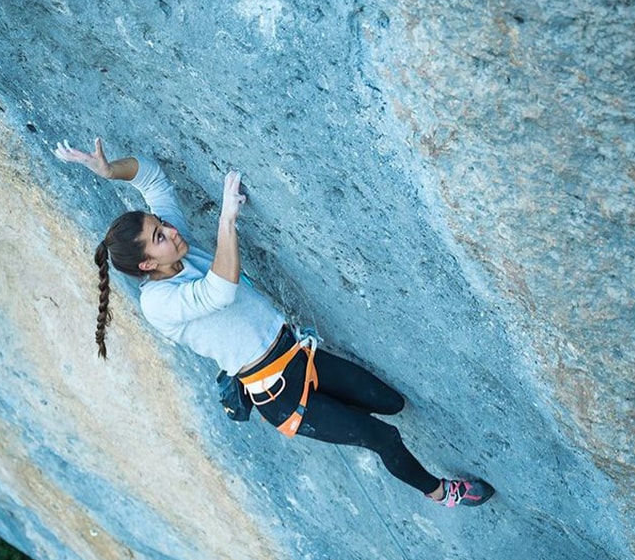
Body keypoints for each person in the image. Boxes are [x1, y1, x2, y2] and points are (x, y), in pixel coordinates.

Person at [54, 137, 493, 508]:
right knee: (383, 437)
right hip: (279, 394)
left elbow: (152, 179)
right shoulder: (159, 303)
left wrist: (113, 172)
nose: (170, 230)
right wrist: (227, 219)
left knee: (391, 403)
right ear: (148, 264)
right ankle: (442, 493)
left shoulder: (177, 247)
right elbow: (219, 291)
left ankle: (351, 422)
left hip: (300, 356)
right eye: (159, 236)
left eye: (161, 224)